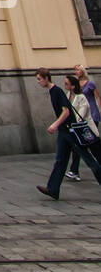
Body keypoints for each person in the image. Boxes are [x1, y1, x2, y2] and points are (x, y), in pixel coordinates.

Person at [36, 68, 101, 201]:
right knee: (61, 160)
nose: (38, 82)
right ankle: (53, 189)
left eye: (39, 79)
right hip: (64, 132)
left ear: (46, 78)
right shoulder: (57, 92)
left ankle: (53, 188)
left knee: (90, 161)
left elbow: (66, 112)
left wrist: (54, 124)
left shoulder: (57, 91)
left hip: (71, 131)